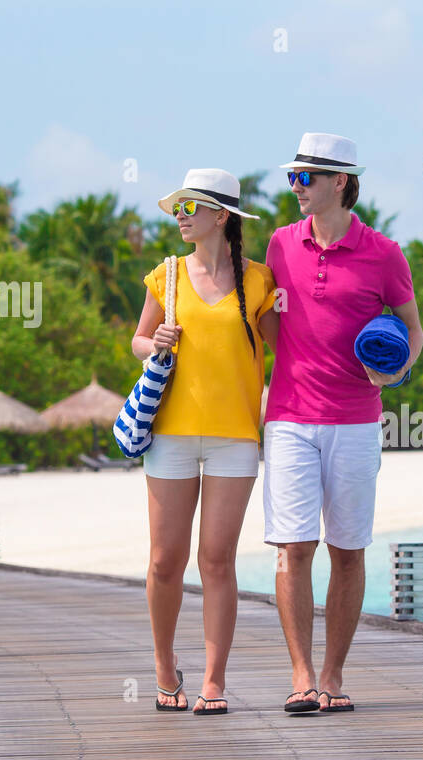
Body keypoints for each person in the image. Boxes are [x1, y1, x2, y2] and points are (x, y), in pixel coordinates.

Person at [259, 133, 423, 714]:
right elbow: (266, 323)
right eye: (293, 177)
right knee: (293, 548)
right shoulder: (279, 245)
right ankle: (301, 675)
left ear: (341, 183)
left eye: (306, 177)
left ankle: (332, 676)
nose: (296, 187)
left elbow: (413, 327)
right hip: (288, 419)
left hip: (355, 421)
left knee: (348, 550)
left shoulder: (384, 253)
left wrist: (395, 371)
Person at [130, 168, 277, 715]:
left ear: (222, 216)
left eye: (192, 208)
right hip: (168, 434)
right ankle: (166, 669)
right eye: (178, 209)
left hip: (235, 438)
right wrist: (154, 343)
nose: (182, 218)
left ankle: (215, 681)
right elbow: (138, 341)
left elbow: (288, 352)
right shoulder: (164, 276)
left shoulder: (260, 281)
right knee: (165, 561)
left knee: (217, 561)